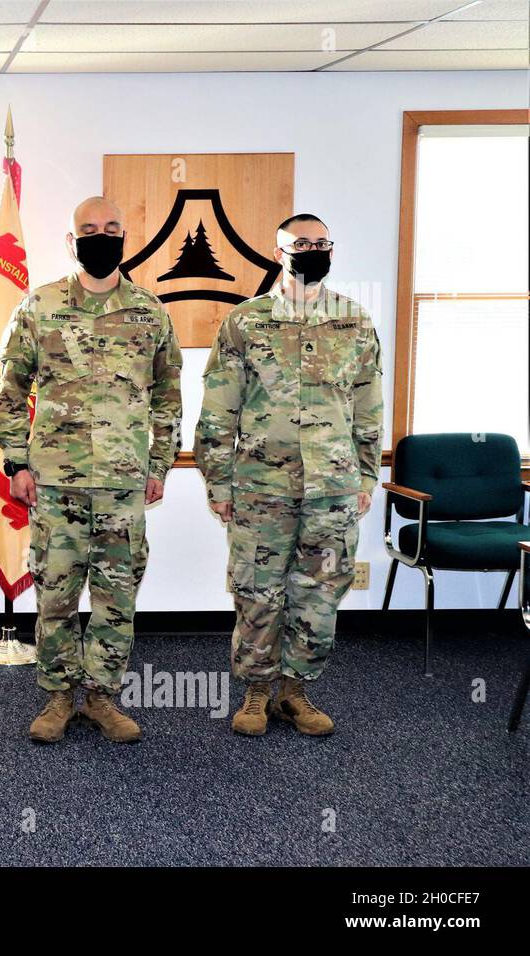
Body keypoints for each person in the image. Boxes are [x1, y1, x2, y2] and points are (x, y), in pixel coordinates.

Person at [0, 196, 182, 744]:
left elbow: (168, 394)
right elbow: (9, 391)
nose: (101, 236)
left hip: (124, 485)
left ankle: (102, 698)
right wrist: (15, 460)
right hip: (56, 482)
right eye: (88, 229)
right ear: (71, 240)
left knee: (115, 599)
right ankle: (57, 698)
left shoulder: (150, 311)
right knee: (55, 596)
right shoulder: (39, 306)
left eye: (111, 228)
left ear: (125, 236)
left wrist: (161, 463)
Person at [195, 213, 382, 737]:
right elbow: (218, 409)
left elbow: (369, 407)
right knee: (258, 591)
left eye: (323, 242)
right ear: (280, 252)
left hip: (334, 486)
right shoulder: (245, 322)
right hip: (261, 487)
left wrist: (366, 477)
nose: (313, 250)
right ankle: (256, 691)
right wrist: (218, 481)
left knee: (320, 592)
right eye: (302, 243)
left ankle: (295, 691)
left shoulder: (355, 321)